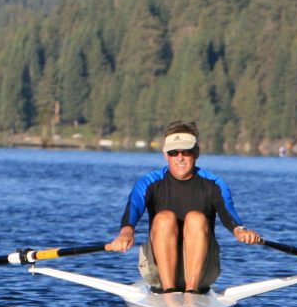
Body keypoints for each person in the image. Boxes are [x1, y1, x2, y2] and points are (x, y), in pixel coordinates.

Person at [106, 121, 261, 293]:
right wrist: (126, 233)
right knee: (164, 218)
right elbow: (133, 209)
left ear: (196, 153)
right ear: (166, 155)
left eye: (185, 152)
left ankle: (192, 292)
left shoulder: (215, 184)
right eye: (173, 152)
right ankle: (169, 290)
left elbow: (229, 214)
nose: (179, 157)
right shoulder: (148, 183)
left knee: (196, 218)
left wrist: (240, 230)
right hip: (157, 268)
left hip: (202, 271)